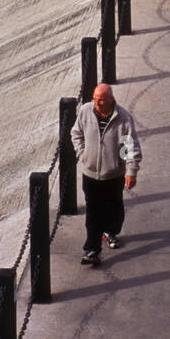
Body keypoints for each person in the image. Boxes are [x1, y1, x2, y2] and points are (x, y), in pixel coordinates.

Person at [71, 83, 141, 266]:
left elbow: (129, 146)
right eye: (95, 98)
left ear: (110, 98)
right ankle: (92, 248)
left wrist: (129, 169)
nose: (97, 103)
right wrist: (83, 154)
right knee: (93, 211)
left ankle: (111, 231)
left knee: (114, 207)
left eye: (101, 99)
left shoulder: (123, 118)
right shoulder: (86, 111)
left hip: (113, 174)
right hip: (90, 173)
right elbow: (76, 133)